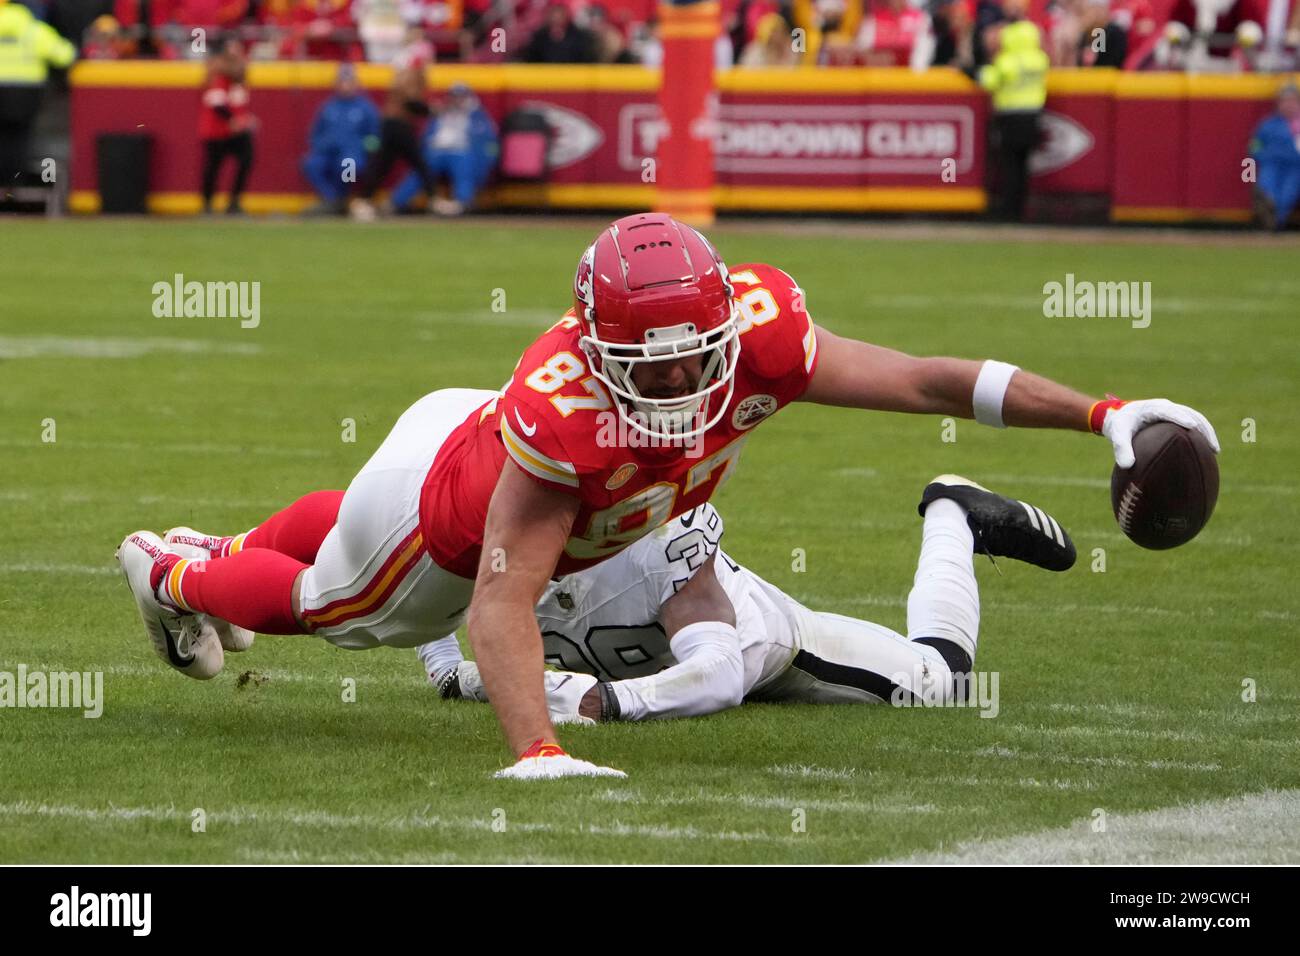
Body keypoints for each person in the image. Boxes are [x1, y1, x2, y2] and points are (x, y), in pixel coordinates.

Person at [115, 212, 1219, 781]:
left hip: (433, 454)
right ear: (598, 350)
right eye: (654, 368)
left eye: (699, 359)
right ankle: (167, 569)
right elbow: (499, 597)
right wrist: (538, 751)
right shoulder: (571, 423)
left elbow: (931, 378)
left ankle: (220, 542)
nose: (685, 386)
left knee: (351, 546)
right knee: (339, 610)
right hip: (449, 521)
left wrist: (1099, 412)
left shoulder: (759, 336)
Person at [428, 487, 1073, 723]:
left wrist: (610, 700)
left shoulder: (661, 523)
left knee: (944, 680)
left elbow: (719, 673)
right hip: (653, 658)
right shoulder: (489, 513)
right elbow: (425, 597)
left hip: (762, 645)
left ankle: (952, 515)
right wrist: (447, 667)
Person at [978, 7, 1048, 220]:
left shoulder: (1007, 61)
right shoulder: (1039, 59)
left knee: (1010, 166)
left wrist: (974, 68)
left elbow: (988, 80)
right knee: (1024, 165)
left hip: (1010, 116)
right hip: (1033, 114)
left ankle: (1009, 211)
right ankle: (1022, 209)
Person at [0, 0, 75, 194]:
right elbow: (65, 54)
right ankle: (12, 186)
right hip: (25, 94)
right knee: (19, 139)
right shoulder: (31, 28)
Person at [390, 82, 497, 216]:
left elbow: (485, 138)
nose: (457, 99)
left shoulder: (477, 115)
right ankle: (397, 202)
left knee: (464, 166)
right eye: (455, 96)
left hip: (462, 150)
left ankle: (464, 202)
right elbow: (428, 135)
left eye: (461, 96)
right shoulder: (440, 113)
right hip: (436, 151)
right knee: (421, 168)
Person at [350, 65, 435, 221]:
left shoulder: (402, 75)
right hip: (398, 126)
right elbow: (411, 103)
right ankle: (433, 198)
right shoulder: (411, 76)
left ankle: (363, 200)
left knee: (382, 165)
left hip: (389, 125)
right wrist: (432, 110)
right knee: (419, 163)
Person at [302, 64, 380, 215]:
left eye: (348, 81)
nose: (345, 86)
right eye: (342, 82)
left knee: (348, 167)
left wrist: (366, 149)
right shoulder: (328, 107)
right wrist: (322, 146)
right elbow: (315, 133)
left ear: (355, 83)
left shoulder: (365, 108)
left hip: (352, 155)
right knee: (311, 164)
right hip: (328, 153)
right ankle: (332, 200)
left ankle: (342, 200)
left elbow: (374, 137)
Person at [199, 35, 256, 216]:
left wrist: (245, 118)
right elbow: (217, 102)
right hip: (217, 130)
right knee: (213, 167)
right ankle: (207, 204)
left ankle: (234, 202)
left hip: (236, 129)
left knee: (246, 160)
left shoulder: (239, 77)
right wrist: (233, 120)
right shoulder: (218, 74)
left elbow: (237, 103)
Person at [1248, 82, 1300, 231]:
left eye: (1292, 101)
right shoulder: (1269, 124)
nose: (1289, 105)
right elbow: (1255, 145)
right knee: (1266, 188)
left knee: (1287, 194)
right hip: (1271, 164)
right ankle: (1267, 215)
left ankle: (1275, 222)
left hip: (1295, 167)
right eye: (1285, 101)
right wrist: (1260, 156)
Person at [522, 3, 596, 63]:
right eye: (554, 16)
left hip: (572, 75)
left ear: (566, 17)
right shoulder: (540, 37)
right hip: (544, 76)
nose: (556, 19)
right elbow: (531, 58)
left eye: (559, 15)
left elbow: (585, 58)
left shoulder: (578, 37)